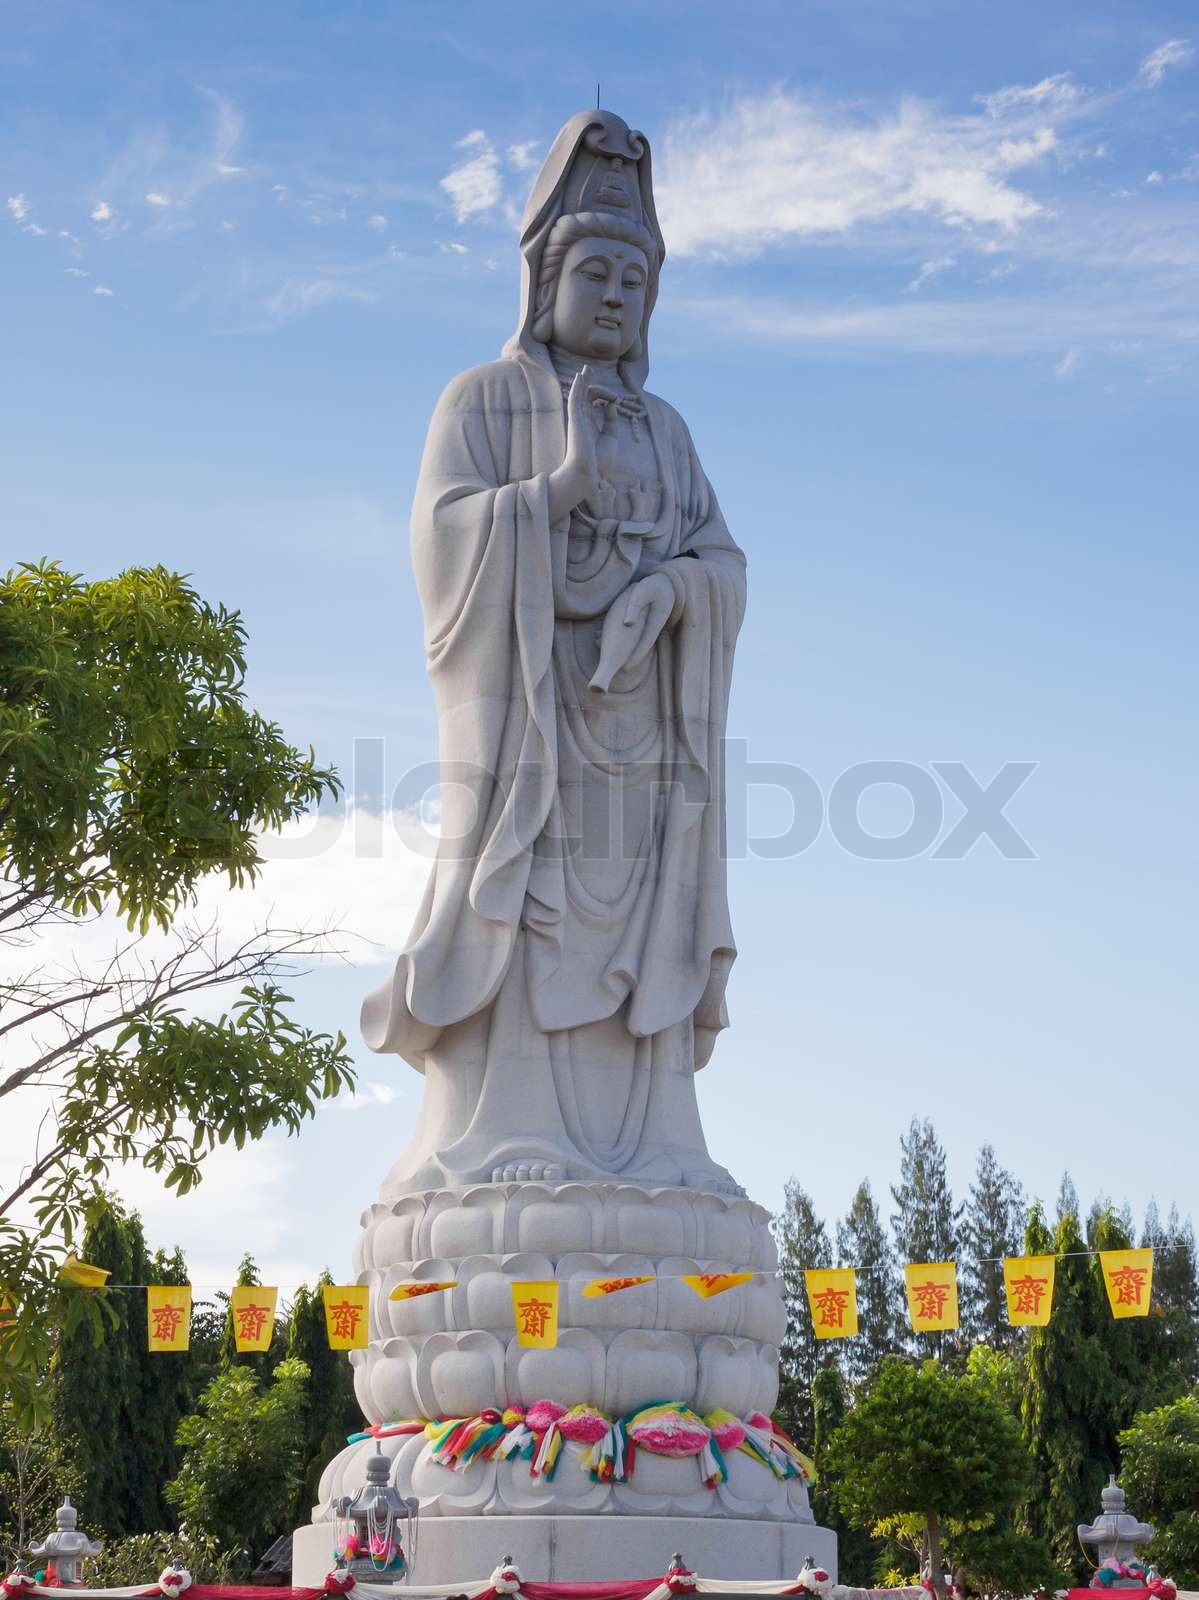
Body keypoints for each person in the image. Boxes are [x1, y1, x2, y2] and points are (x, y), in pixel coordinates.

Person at [362, 111, 747, 1196]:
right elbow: (443, 538)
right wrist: (552, 498)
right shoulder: (481, 400)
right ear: (543, 280)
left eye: (636, 275)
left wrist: (671, 591)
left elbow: (722, 558)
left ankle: (657, 1141)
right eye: (595, 269)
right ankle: (503, 1130)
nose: (617, 293)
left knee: (643, 905)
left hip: (639, 729)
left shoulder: (666, 430)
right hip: (528, 720)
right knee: (526, 907)